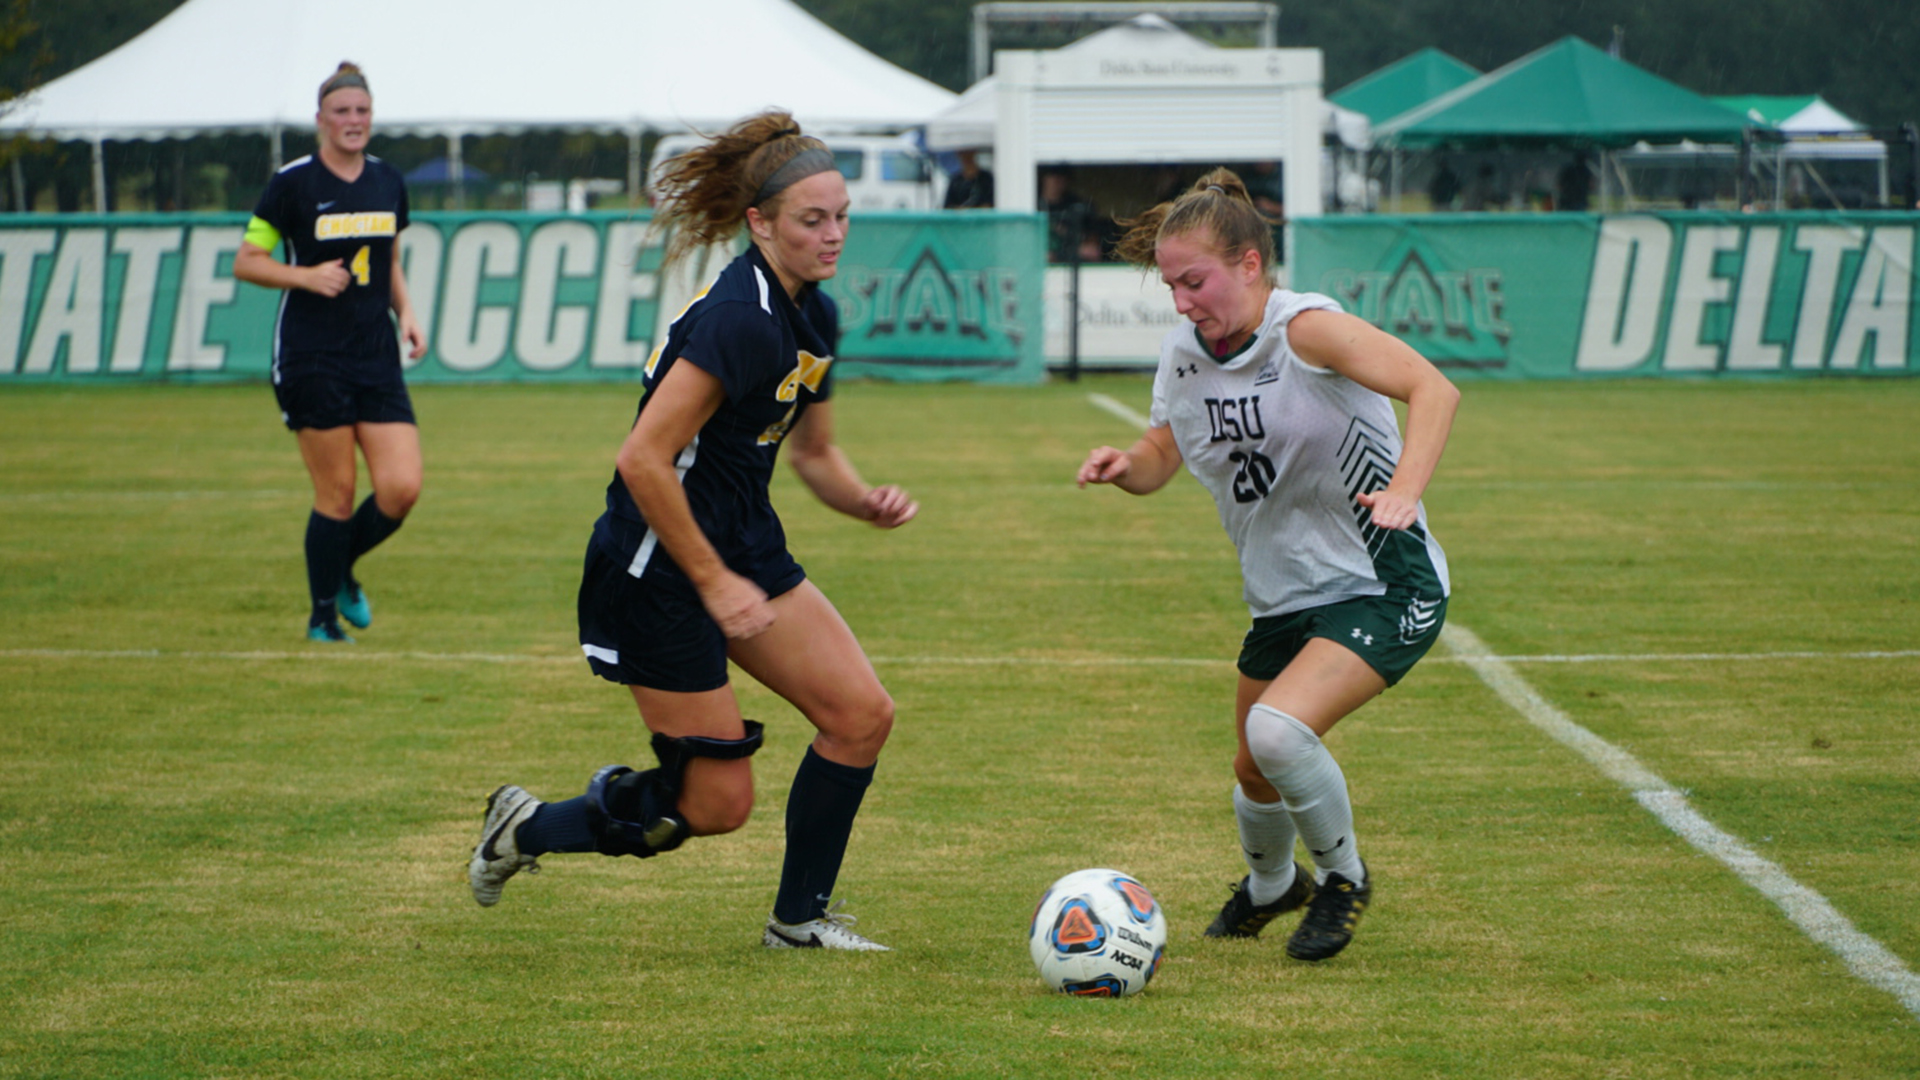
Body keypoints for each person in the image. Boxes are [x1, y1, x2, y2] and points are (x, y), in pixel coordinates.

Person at [468, 111, 918, 952]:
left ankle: (798, 923)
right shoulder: (740, 318)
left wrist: (864, 502)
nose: (833, 234)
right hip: (659, 568)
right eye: (811, 220)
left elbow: (814, 453)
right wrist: (712, 581)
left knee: (860, 716)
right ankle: (523, 829)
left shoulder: (812, 317)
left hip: (743, 547)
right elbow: (643, 459)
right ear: (760, 223)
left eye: (842, 215)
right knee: (714, 808)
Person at [1076, 169, 1458, 962]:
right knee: (1253, 770)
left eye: (1194, 281)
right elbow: (1162, 454)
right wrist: (1125, 464)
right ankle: (1272, 888)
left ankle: (1344, 879)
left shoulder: (1305, 331)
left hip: (1384, 580)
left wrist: (1403, 491)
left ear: (1250, 265)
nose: (1181, 301)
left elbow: (1433, 387)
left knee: (1278, 735)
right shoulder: (1185, 355)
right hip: (1281, 597)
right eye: (1171, 286)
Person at [233, 62, 428, 644]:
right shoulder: (292, 183)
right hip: (311, 355)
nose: (353, 121)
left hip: (375, 354)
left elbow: (388, 260)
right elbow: (249, 259)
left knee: (401, 487)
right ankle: (322, 617)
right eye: (341, 111)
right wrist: (304, 276)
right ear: (320, 119)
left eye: (362, 111)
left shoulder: (388, 180)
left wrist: (408, 314)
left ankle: (340, 567)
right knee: (337, 493)